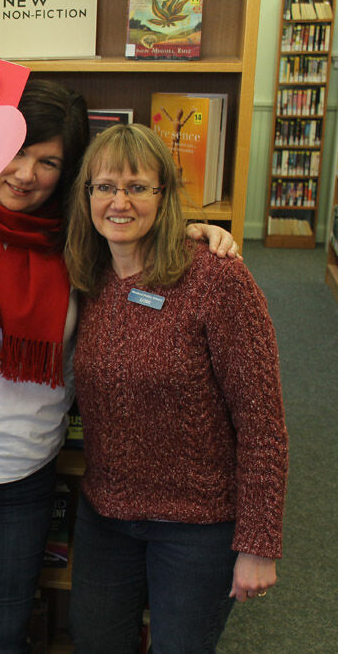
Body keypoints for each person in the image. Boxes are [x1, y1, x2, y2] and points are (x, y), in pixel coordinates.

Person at [0, 79, 239, 653]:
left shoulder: (80, 230)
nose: (26, 174)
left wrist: (197, 234)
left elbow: (145, 250)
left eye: (48, 161)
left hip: (16, 466)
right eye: (15, 152)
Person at [64, 123, 287, 652]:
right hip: (107, 516)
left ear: (164, 197)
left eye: (138, 187)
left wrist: (259, 543)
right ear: (87, 196)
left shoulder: (216, 278)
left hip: (199, 527)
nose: (119, 201)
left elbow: (262, 422)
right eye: (105, 187)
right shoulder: (86, 276)